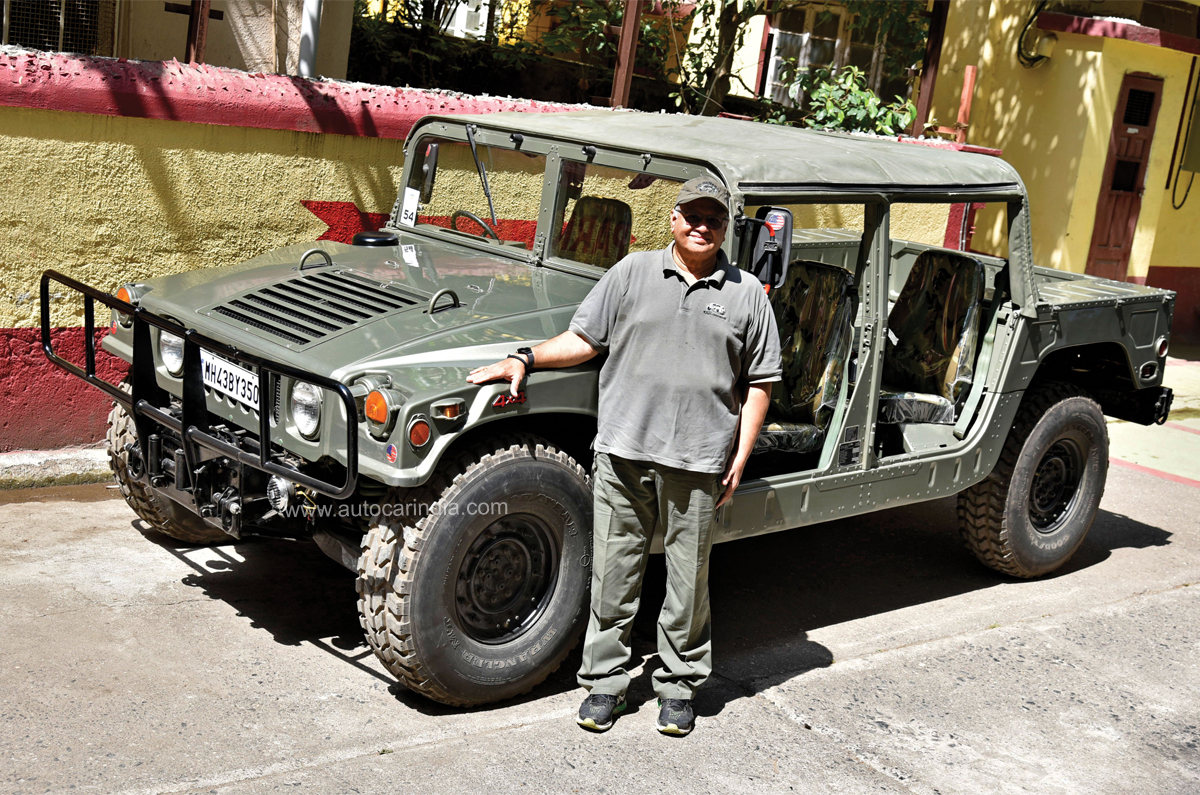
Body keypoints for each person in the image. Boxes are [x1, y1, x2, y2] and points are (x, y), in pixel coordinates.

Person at [466, 177, 781, 736]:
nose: (702, 226)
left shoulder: (747, 294)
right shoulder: (631, 273)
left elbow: (760, 381)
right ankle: (605, 684)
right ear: (673, 219)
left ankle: (678, 687)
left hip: (697, 460)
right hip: (623, 452)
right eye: (692, 215)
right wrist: (525, 359)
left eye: (713, 218)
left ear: (725, 227)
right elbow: (584, 340)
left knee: (688, 583)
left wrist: (741, 452)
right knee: (614, 574)